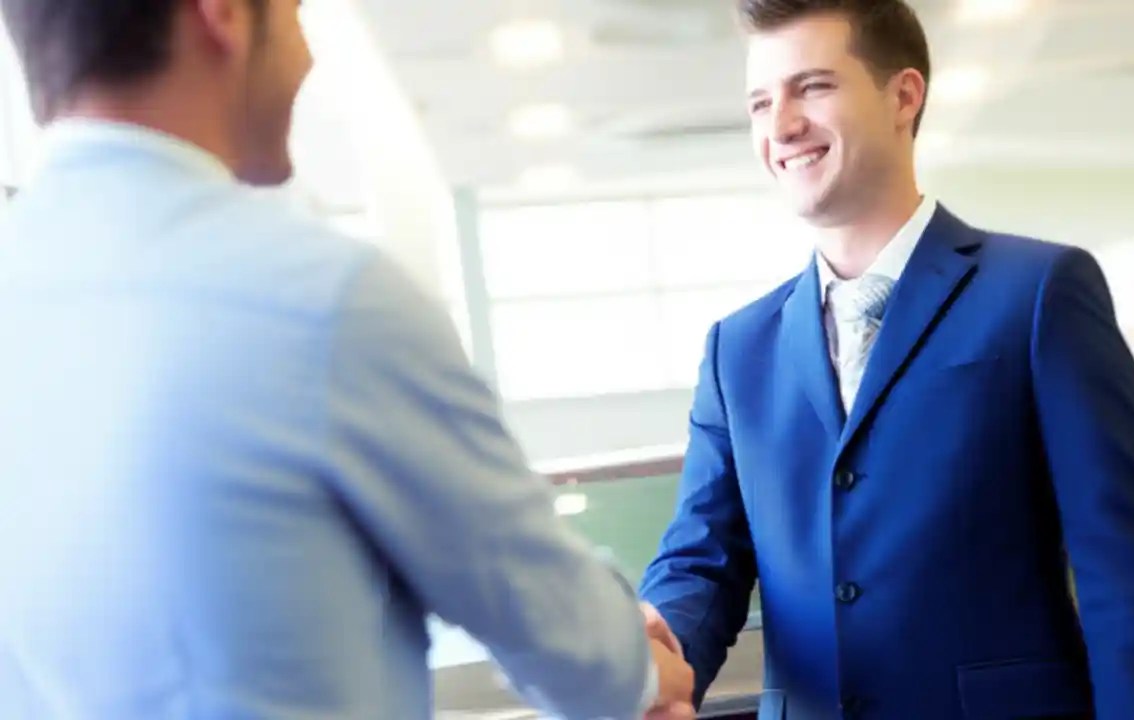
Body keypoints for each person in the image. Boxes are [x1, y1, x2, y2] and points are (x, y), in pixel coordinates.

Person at [0, 0, 695, 718]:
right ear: (223, 15)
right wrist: (638, 663)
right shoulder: (320, 300)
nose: (305, 56)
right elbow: (580, 652)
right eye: (297, 12)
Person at [638, 1, 1134, 718]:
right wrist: (657, 652)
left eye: (813, 87)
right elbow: (701, 561)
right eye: (760, 102)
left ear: (904, 95)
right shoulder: (736, 350)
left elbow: (1127, 575)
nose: (781, 126)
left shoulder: (1037, 295)